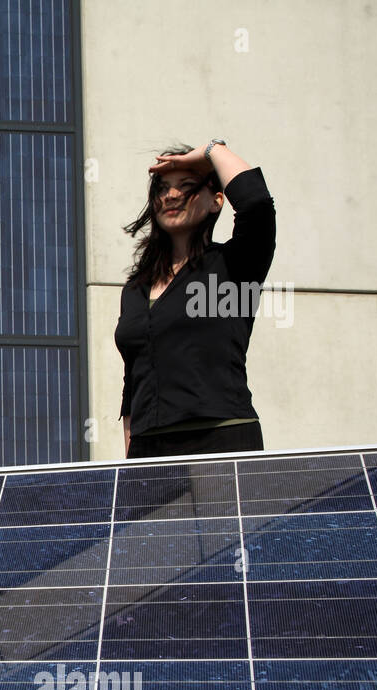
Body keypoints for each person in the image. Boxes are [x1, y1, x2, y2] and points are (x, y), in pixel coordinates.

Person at [115, 140, 276, 459]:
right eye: (162, 189)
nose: (171, 195)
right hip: (149, 451)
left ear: (217, 201)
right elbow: (132, 384)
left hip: (222, 440)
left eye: (187, 186)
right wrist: (131, 465)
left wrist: (211, 153)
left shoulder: (235, 265)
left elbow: (256, 203)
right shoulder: (136, 288)